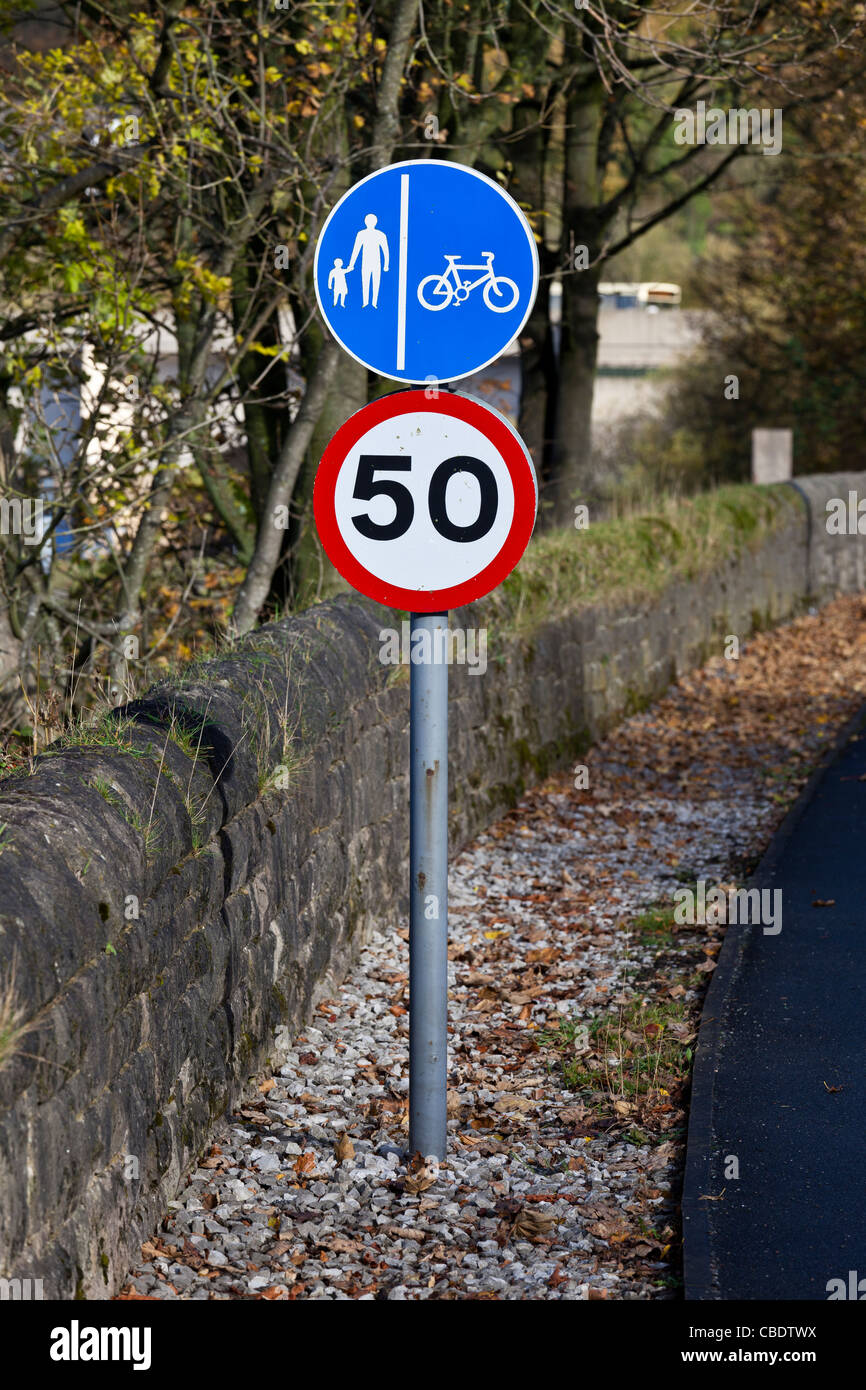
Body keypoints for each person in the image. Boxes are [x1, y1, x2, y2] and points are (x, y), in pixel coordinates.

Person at [347, 214, 389, 307]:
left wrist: (386, 265)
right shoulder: (361, 234)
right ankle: (365, 302)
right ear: (365, 222)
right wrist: (351, 264)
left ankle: (374, 303)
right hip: (365, 262)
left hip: (377, 263)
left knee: (376, 282)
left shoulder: (380, 234)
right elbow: (356, 250)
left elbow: (385, 250)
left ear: (375, 222)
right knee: (365, 282)